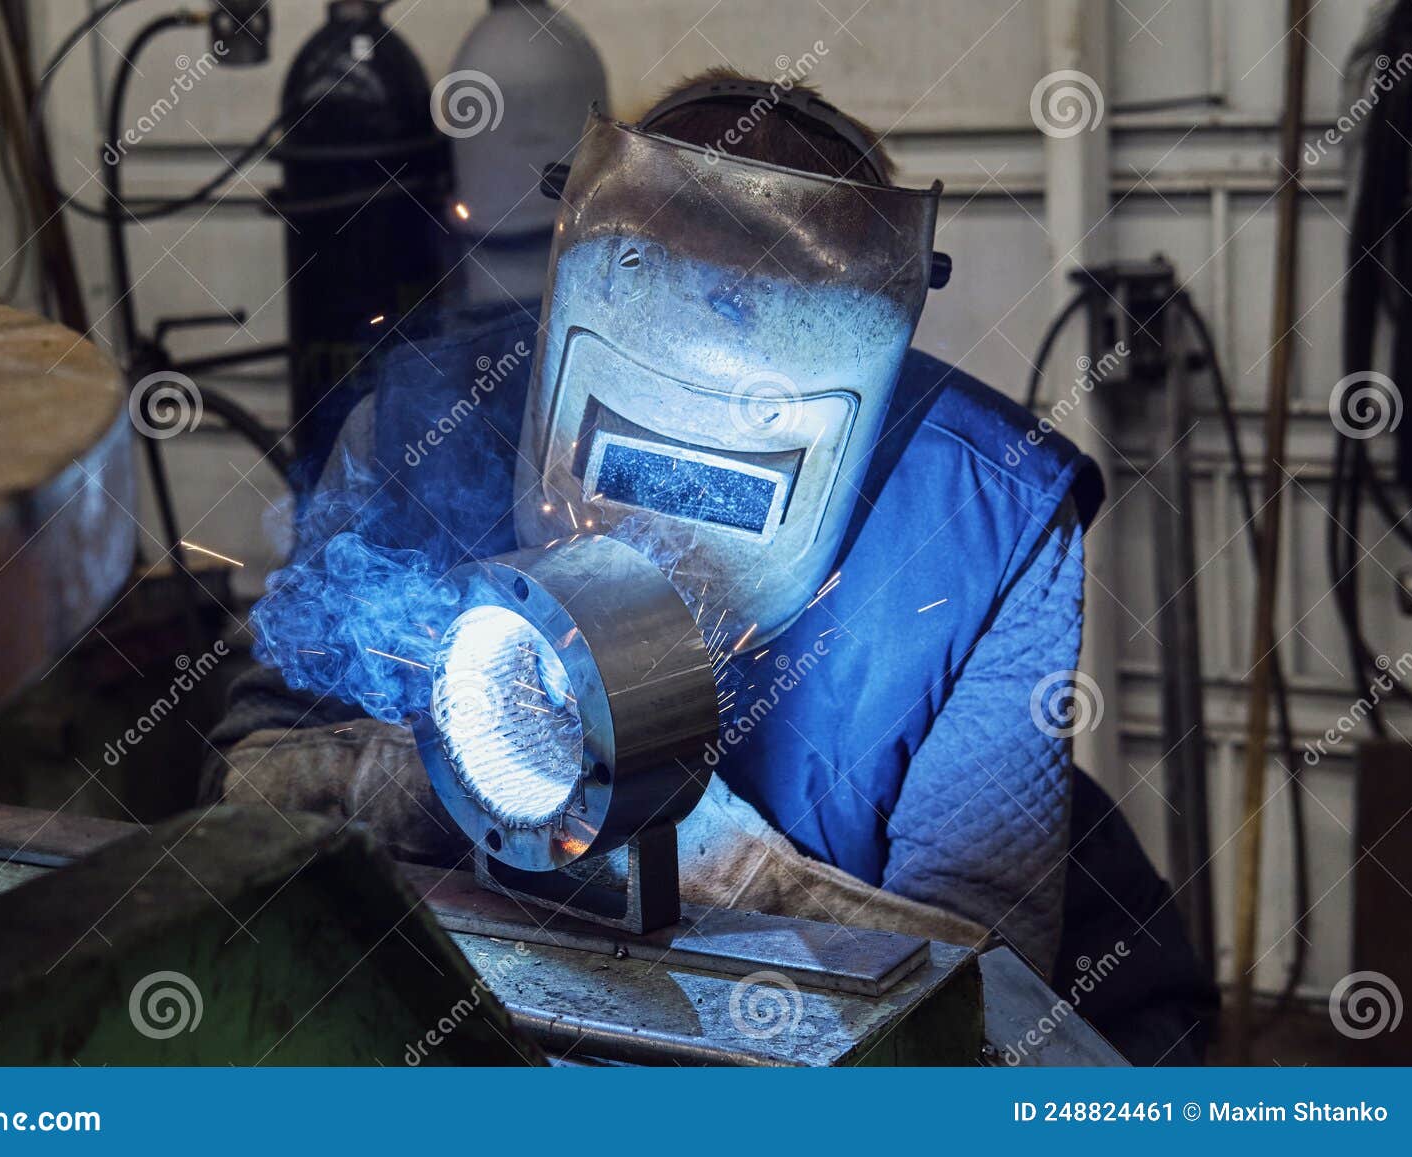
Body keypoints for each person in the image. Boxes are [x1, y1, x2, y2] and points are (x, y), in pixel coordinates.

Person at [206, 70, 1216, 1064]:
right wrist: (452, 774)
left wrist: (695, 846)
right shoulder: (431, 417)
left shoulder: (988, 513)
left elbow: (974, 999)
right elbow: (243, 793)